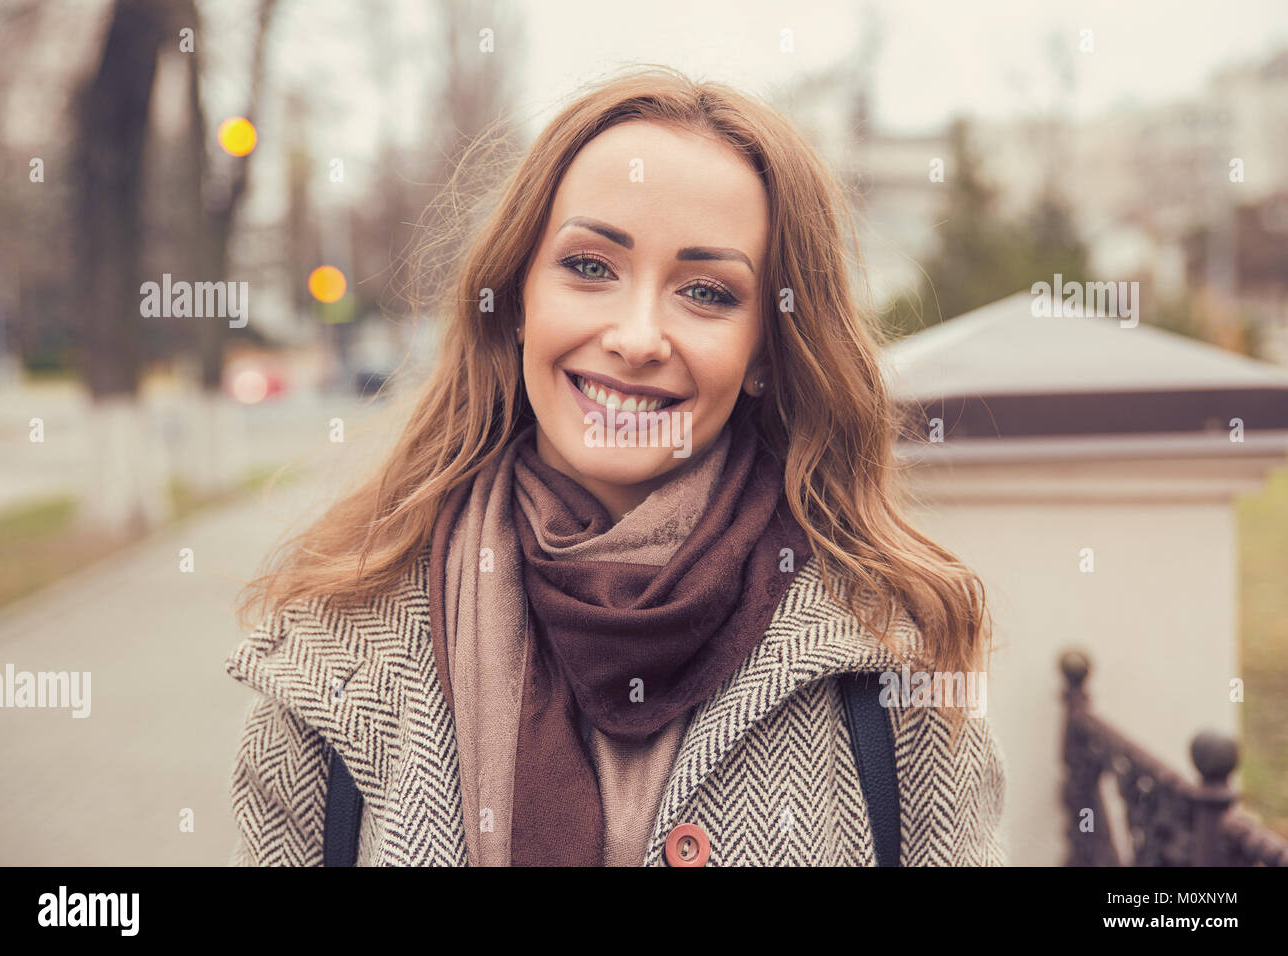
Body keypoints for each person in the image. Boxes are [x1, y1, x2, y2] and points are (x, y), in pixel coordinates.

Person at [224, 65, 1006, 867]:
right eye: (591, 267)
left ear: (766, 351)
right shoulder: (336, 647)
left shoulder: (890, 654)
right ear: (518, 297)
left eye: (705, 292)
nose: (637, 338)